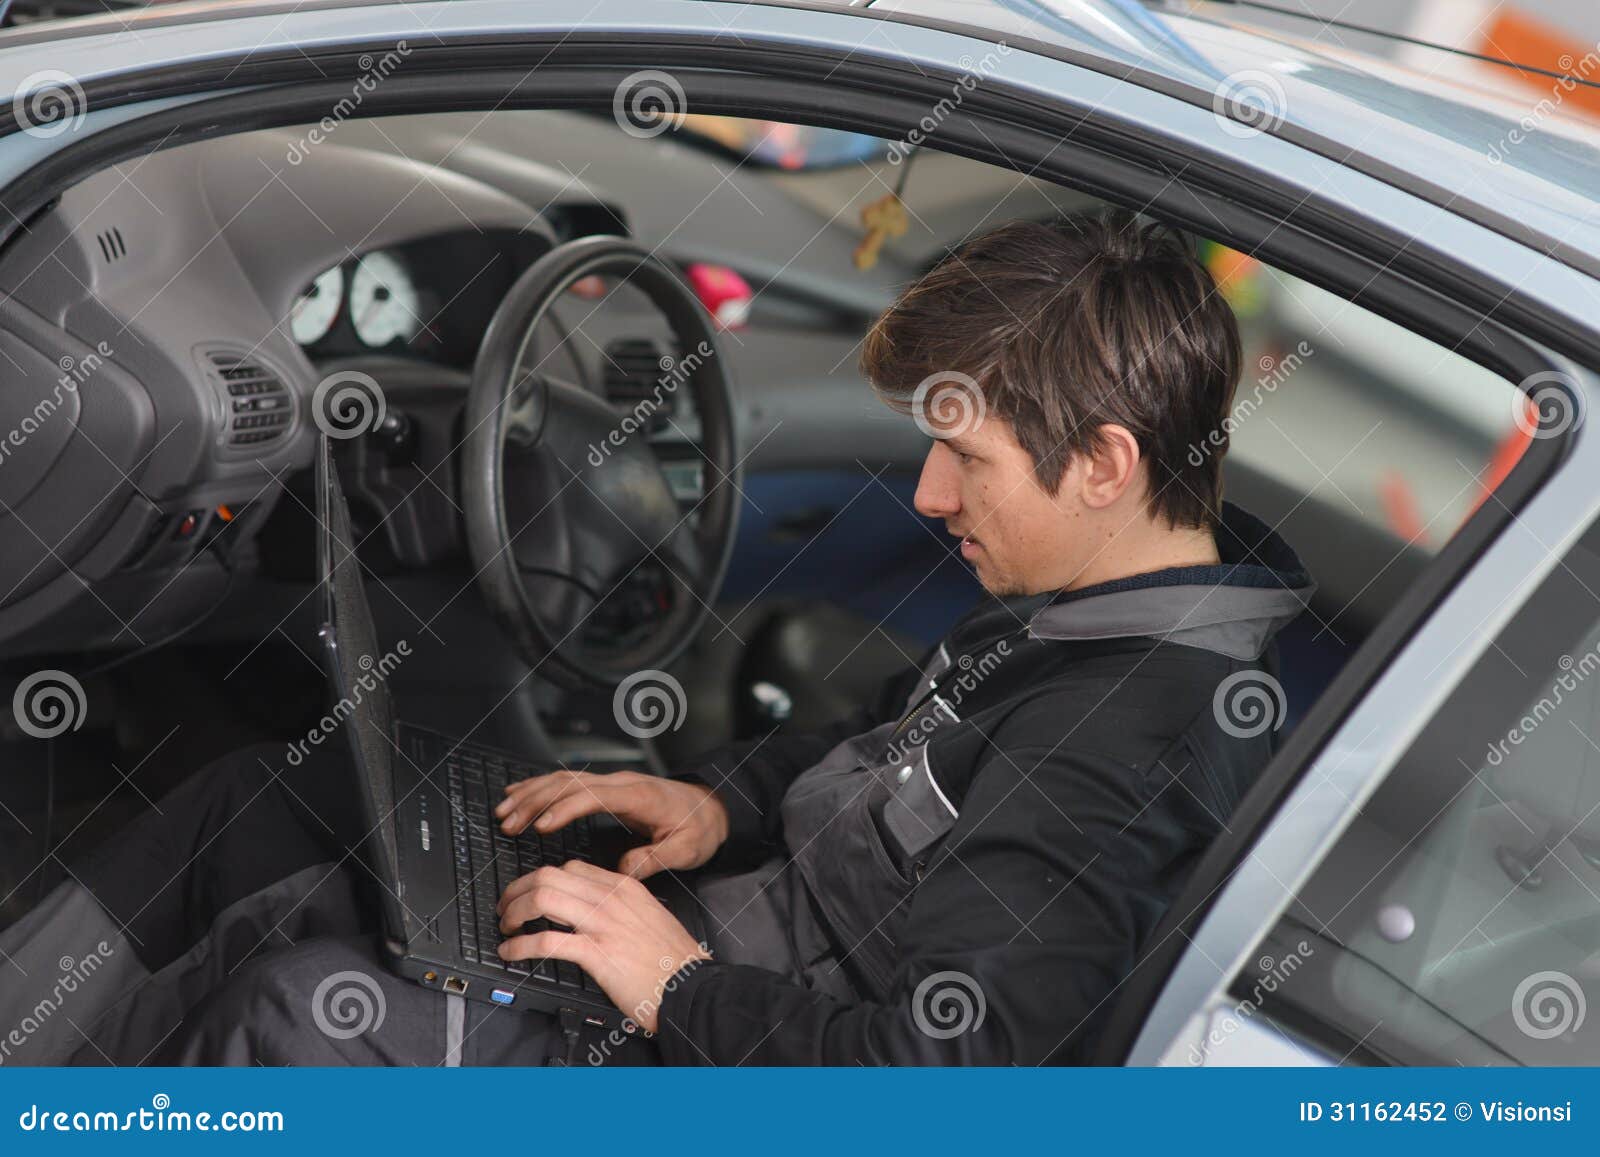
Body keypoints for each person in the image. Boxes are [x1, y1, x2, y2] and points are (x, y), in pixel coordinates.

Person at [0, 209, 1313, 1066]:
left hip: (694, 1049)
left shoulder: (1126, 744)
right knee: (254, 810)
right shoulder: (1085, 602)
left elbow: (938, 1077)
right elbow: (876, 747)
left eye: (964, 453)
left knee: (299, 1017)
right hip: (703, 950)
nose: (928, 493)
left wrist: (671, 983)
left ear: (1104, 461)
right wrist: (712, 800)